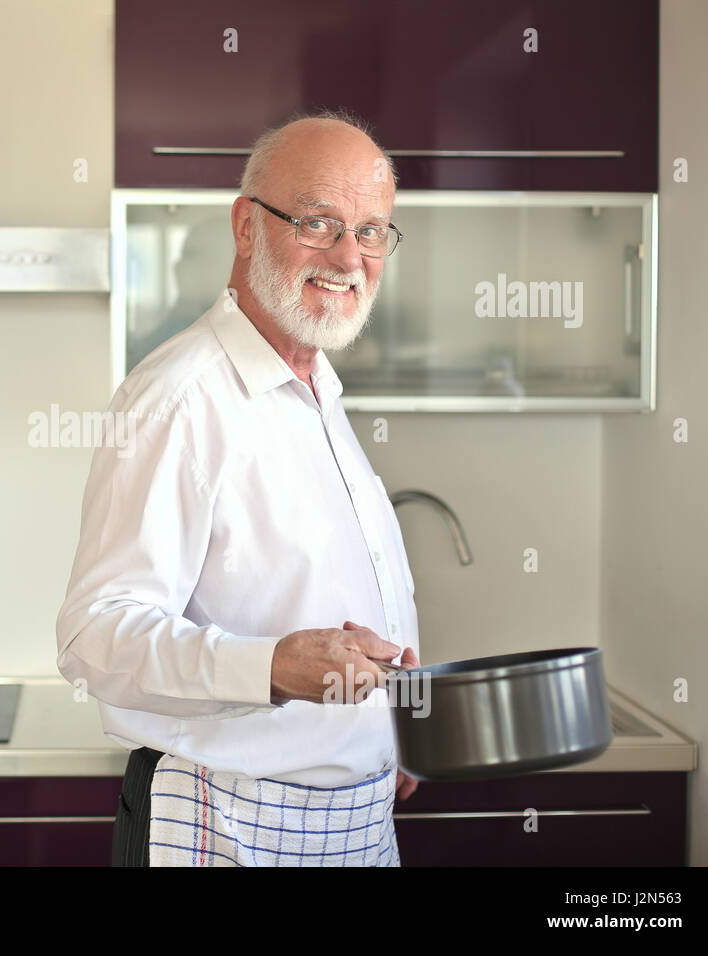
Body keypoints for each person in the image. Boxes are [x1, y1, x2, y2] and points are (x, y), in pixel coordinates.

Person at [56, 110, 421, 867]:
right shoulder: (180, 398)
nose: (349, 256)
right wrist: (272, 668)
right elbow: (96, 636)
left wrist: (393, 732)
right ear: (247, 225)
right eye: (319, 222)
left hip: (355, 822)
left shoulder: (316, 384)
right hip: (225, 823)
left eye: (372, 230)